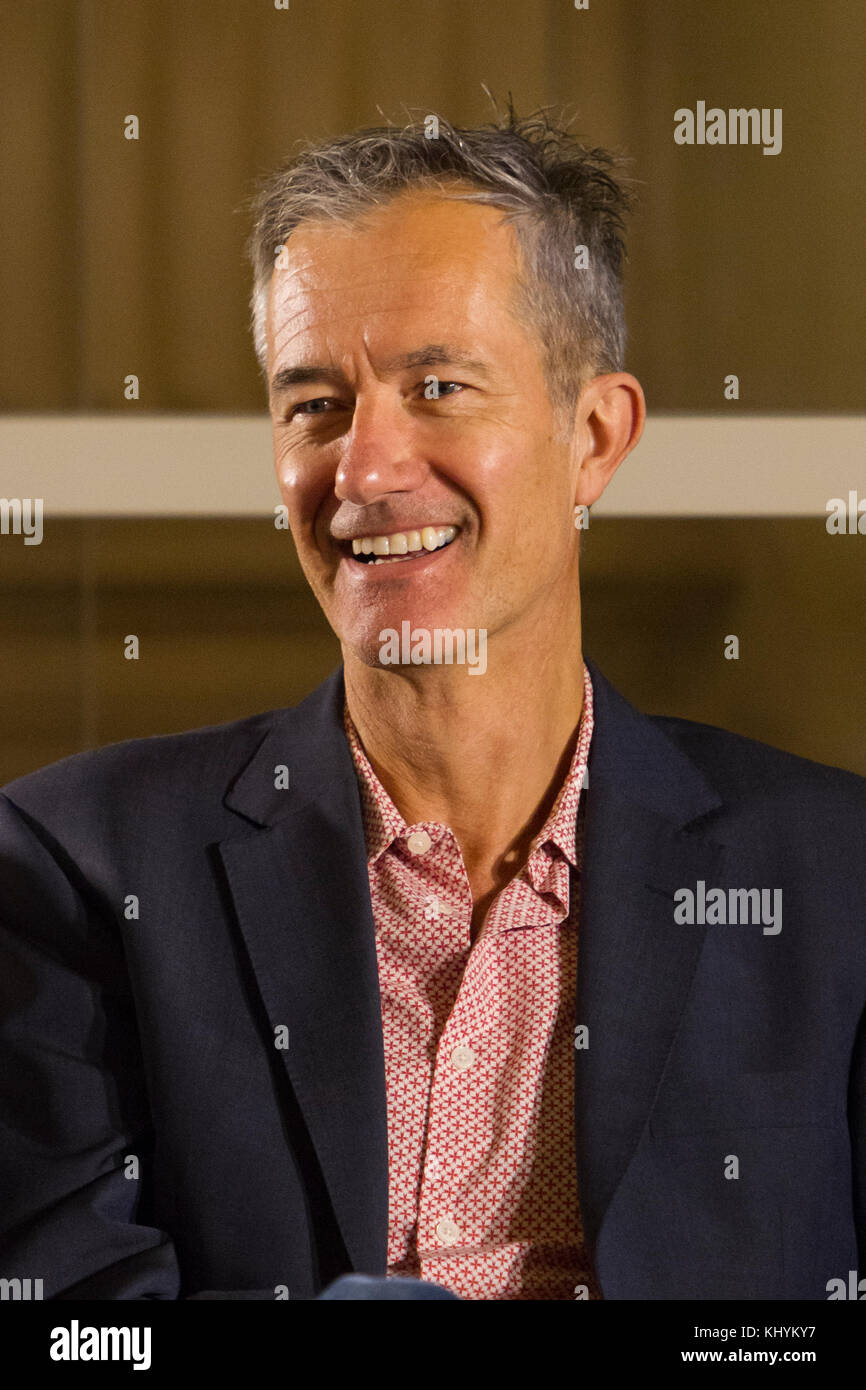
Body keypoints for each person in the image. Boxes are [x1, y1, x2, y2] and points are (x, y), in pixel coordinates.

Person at [1, 109, 864, 1303]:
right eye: (312, 404)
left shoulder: (835, 876)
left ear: (593, 438)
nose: (361, 469)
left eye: (438, 386)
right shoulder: (75, 865)